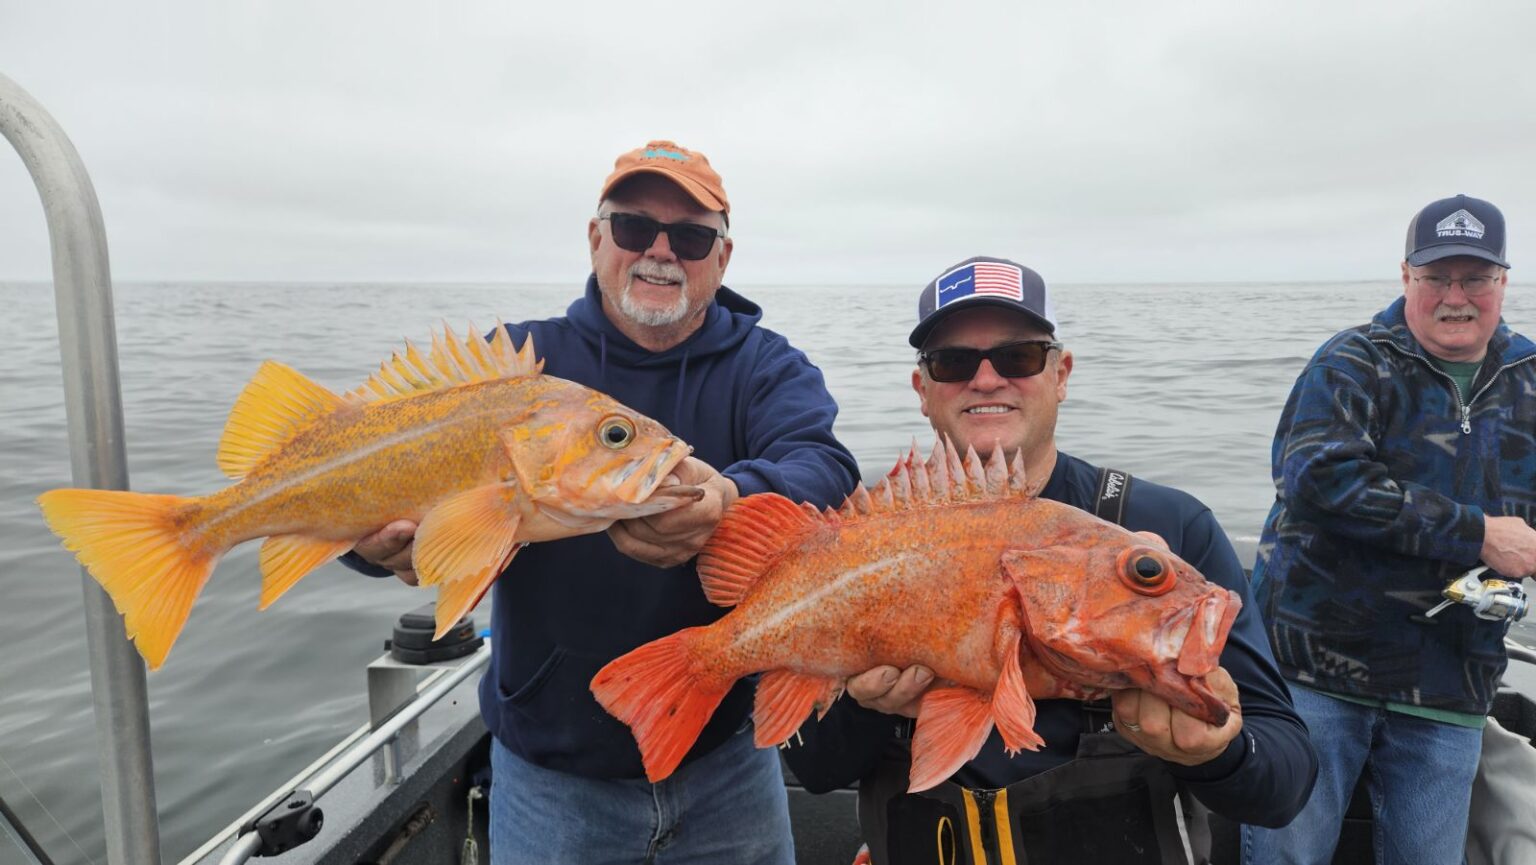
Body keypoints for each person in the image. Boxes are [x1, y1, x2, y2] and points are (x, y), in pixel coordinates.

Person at [345, 140, 860, 864]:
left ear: (723, 257)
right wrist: (365, 547)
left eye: (689, 236)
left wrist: (731, 496)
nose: (659, 251)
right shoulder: (516, 365)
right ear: (596, 238)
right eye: (631, 228)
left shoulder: (766, 366)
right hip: (552, 780)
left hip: (726, 766)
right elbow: (381, 479)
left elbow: (825, 464)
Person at [779, 255, 1316, 865]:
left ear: (1060, 374)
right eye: (953, 362)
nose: (987, 380)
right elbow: (814, 767)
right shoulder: (864, 536)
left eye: (1019, 357)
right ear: (922, 391)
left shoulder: (1168, 528)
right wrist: (865, 706)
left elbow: (1284, 784)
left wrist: (1218, 753)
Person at [1243, 194, 1536, 865]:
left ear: (1503, 281)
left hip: (1452, 680)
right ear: (1406, 276)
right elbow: (1317, 480)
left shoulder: (1531, 375)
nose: (1455, 296)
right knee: (1288, 854)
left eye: (1475, 278)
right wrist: (1480, 535)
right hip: (1315, 669)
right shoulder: (1352, 360)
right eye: (1437, 277)